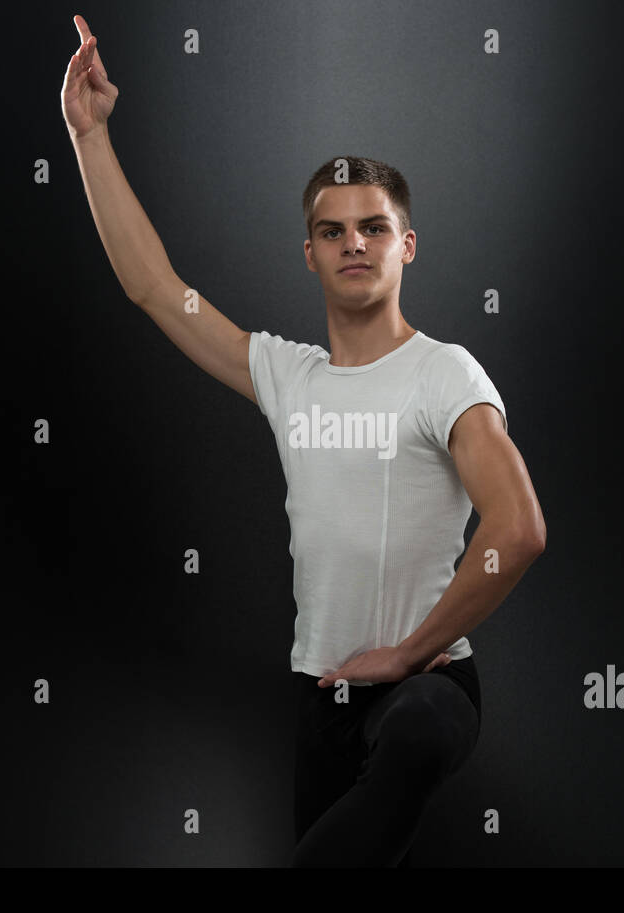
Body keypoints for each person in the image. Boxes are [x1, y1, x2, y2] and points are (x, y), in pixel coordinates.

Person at [62, 14, 546, 867]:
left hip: (429, 685)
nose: (354, 241)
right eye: (333, 230)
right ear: (311, 256)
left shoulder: (447, 374)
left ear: (407, 246)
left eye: (374, 226)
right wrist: (89, 136)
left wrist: (407, 654)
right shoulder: (288, 376)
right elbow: (152, 286)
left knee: (419, 736)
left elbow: (519, 530)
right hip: (320, 693)